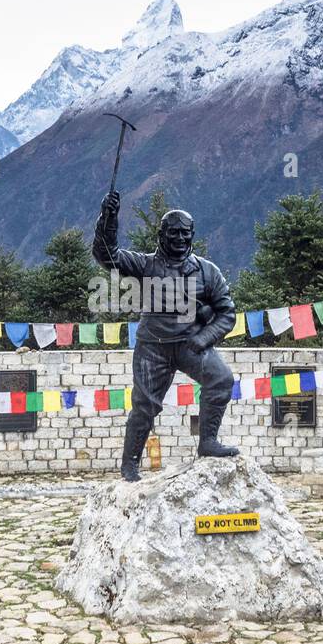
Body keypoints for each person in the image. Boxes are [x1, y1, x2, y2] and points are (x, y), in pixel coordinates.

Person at [93, 190, 238, 481]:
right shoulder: (144, 265)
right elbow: (106, 255)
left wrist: (203, 339)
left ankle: (208, 443)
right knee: (145, 406)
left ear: (192, 235)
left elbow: (227, 314)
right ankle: (130, 464)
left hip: (191, 345)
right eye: (173, 233)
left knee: (221, 379)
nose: (180, 238)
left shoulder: (207, 271)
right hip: (152, 348)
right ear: (162, 234)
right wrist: (108, 218)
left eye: (185, 233)